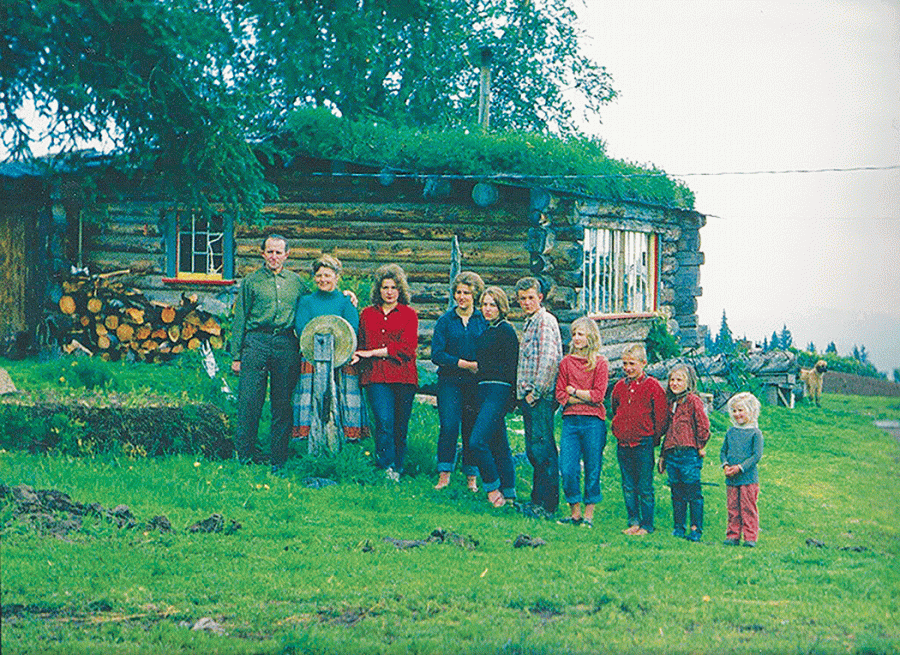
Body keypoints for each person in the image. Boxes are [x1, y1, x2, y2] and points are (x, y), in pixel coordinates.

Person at [230, 235, 304, 470]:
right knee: (249, 400)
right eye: (269, 252)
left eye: (278, 252)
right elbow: (240, 318)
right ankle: (244, 456)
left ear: (286, 255)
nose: (274, 257)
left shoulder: (296, 283)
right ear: (262, 253)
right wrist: (236, 355)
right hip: (256, 343)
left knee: (282, 403)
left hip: (285, 344)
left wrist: (346, 296)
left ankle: (278, 459)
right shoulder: (251, 282)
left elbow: (314, 303)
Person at [353, 264, 418, 481]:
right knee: (383, 421)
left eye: (393, 287)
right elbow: (360, 343)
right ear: (378, 290)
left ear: (400, 290)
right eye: (385, 287)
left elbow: (406, 348)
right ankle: (385, 467)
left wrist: (373, 352)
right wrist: (360, 355)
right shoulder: (367, 314)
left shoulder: (409, 314)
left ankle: (398, 467)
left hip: (403, 377)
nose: (389, 292)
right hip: (376, 377)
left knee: (400, 424)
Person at [292, 254, 365, 442]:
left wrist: (339, 351)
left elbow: (352, 328)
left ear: (336, 277)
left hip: (341, 355)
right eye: (319, 275)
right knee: (312, 396)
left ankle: (348, 436)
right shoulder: (306, 301)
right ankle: (308, 435)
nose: (322, 279)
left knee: (342, 395)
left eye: (327, 275)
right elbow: (302, 328)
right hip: (313, 356)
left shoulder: (345, 301)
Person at [431, 271, 487, 491]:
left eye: (467, 293)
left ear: (475, 295)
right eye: (458, 292)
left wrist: (480, 366)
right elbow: (437, 354)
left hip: (475, 383)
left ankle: (471, 478)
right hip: (449, 381)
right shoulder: (445, 321)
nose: (462, 297)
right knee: (449, 426)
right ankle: (444, 474)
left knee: (471, 428)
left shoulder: (482, 320)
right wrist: (463, 364)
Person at [515, 277, 563, 515]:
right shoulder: (530, 322)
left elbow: (548, 360)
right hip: (529, 396)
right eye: (522, 299)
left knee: (543, 450)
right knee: (534, 449)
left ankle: (548, 504)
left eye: (530, 298)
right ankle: (537, 500)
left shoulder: (544, 321)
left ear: (540, 298)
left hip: (539, 397)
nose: (526, 302)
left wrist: (536, 392)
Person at [555, 317, 609, 528]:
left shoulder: (600, 363)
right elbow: (561, 395)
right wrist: (582, 396)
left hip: (594, 422)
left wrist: (575, 391)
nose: (576, 338)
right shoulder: (566, 363)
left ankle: (588, 515)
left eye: (581, 334)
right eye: (574, 334)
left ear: (591, 337)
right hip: (571, 421)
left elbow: (598, 395)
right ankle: (574, 513)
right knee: (568, 467)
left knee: (593, 467)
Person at [468, 287, 519, 507]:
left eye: (492, 305)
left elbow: (513, 365)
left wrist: (512, 398)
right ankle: (509, 492)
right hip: (483, 390)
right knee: (499, 443)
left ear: (501, 307)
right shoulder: (486, 331)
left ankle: (492, 488)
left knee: (477, 441)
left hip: (499, 390)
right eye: (485, 305)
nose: (487, 309)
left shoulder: (506, 330)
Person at [610, 343, 667, 535]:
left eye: (632, 364)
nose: (628, 368)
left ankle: (647, 524)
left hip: (643, 443)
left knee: (644, 486)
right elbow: (615, 408)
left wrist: (653, 438)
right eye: (625, 364)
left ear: (643, 363)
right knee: (628, 485)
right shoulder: (619, 387)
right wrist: (618, 428)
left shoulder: (652, 386)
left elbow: (660, 417)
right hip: (623, 444)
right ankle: (633, 521)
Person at [658, 363, 710, 541]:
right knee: (676, 492)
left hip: (688, 454)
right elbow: (668, 430)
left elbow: (703, 426)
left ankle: (695, 529)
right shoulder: (671, 403)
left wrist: (700, 446)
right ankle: (679, 527)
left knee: (692, 492)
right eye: (672, 379)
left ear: (688, 382)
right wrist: (663, 456)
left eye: (679, 380)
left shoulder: (693, 401)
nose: (675, 383)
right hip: (672, 454)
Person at [720, 391, 764, 547]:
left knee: (748, 508)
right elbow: (723, 451)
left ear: (751, 412)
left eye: (741, 410)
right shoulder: (731, 432)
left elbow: (756, 456)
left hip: (748, 479)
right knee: (733, 507)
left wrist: (740, 468)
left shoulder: (755, 433)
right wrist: (725, 465)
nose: (737, 414)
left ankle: (750, 537)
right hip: (731, 479)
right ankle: (733, 535)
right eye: (734, 410)